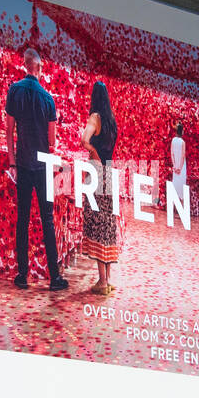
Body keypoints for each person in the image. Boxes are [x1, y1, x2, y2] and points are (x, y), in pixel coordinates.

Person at [5, 48, 68, 291]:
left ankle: (22, 274)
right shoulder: (48, 99)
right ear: (40, 68)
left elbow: (9, 131)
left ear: (24, 65)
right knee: (47, 220)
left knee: (22, 219)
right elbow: (52, 141)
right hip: (42, 165)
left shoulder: (14, 91)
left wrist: (12, 162)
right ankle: (54, 277)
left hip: (21, 162)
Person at [80, 81, 120, 295]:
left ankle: (102, 281)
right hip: (109, 173)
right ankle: (108, 279)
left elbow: (84, 140)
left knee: (96, 222)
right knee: (107, 224)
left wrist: (93, 152)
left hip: (96, 173)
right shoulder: (111, 120)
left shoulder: (95, 118)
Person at [170, 122, 187, 202]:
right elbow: (183, 156)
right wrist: (180, 168)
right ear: (182, 131)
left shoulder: (173, 140)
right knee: (182, 185)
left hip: (175, 166)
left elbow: (172, 153)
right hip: (181, 167)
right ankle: (181, 205)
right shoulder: (182, 142)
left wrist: (174, 166)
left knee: (175, 184)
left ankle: (174, 205)